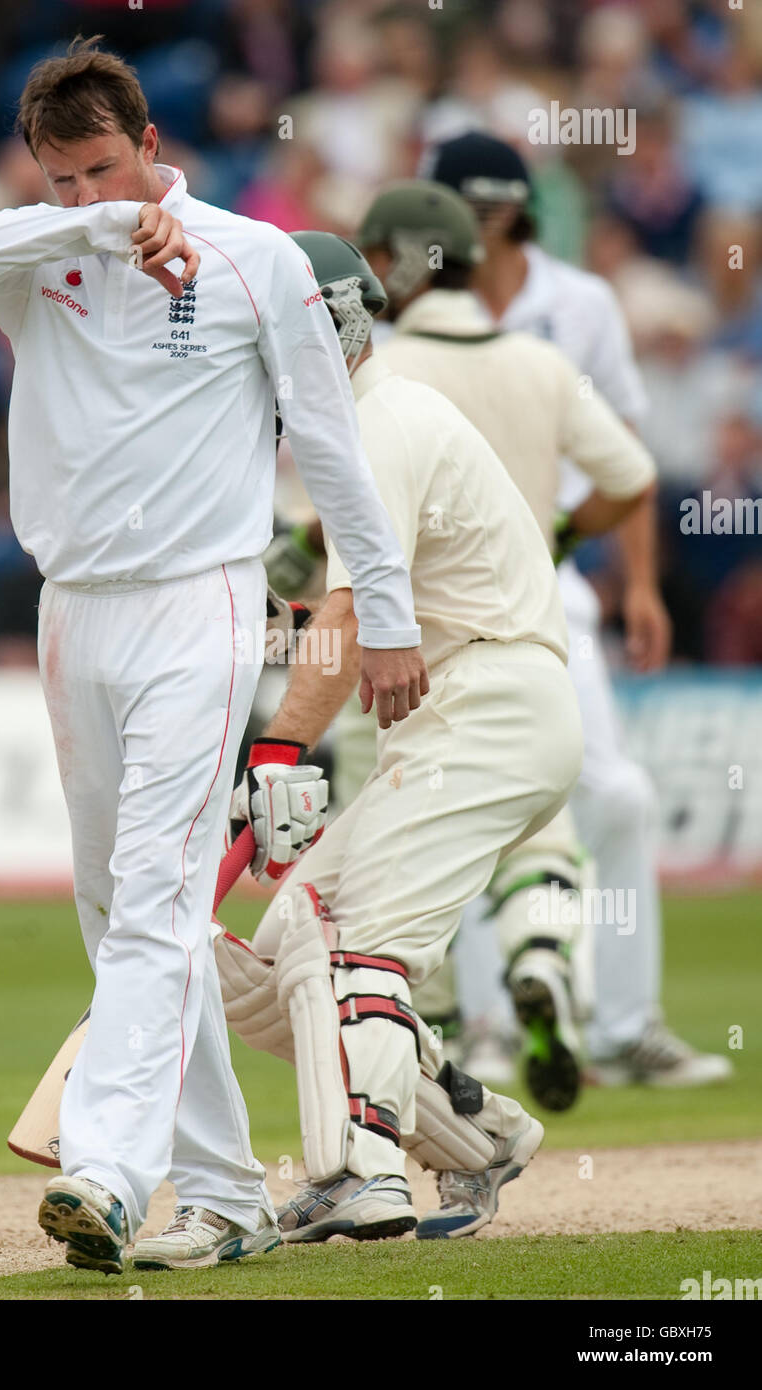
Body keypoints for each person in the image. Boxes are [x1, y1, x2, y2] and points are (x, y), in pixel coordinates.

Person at [0, 37, 427, 1275]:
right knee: (124, 913)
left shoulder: (254, 261)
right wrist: (87, 231)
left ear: (153, 145)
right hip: (73, 609)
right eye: (60, 179)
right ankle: (221, 1187)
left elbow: (330, 445)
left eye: (104, 171)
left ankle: (107, 1169)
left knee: (154, 892)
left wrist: (389, 617)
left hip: (198, 606)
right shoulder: (46, 260)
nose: (85, 194)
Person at [217, 230, 582, 1241]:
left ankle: (357, 1169)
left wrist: (281, 750)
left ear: (319, 325)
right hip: (457, 710)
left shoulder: (377, 422)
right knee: (285, 947)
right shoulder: (355, 429)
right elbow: (336, 609)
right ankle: (480, 1138)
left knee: (359, 940)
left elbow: (343, 622)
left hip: (493, 699)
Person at [428, 131, 732, 1087]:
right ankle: (483, 1024)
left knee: (619, 795)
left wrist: (638, 584)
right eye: (462, 209)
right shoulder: (410, 313)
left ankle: (622, 1026)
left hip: (548, 576)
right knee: (459, 800)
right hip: (439, 584)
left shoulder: (582, 303)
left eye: (494, 206)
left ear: (522, 205)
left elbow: (625, 456)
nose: (482, 226)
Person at [350, 178, 657, 1110]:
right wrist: (558, 534)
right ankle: (540, 958)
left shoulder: (385, 371)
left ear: (392, 262)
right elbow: (633, 475)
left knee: (392, 869)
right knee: (540, 826)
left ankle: (421, 1064)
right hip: (530, 631)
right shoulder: (540, 362)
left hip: (409, 650)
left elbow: (329, 532)